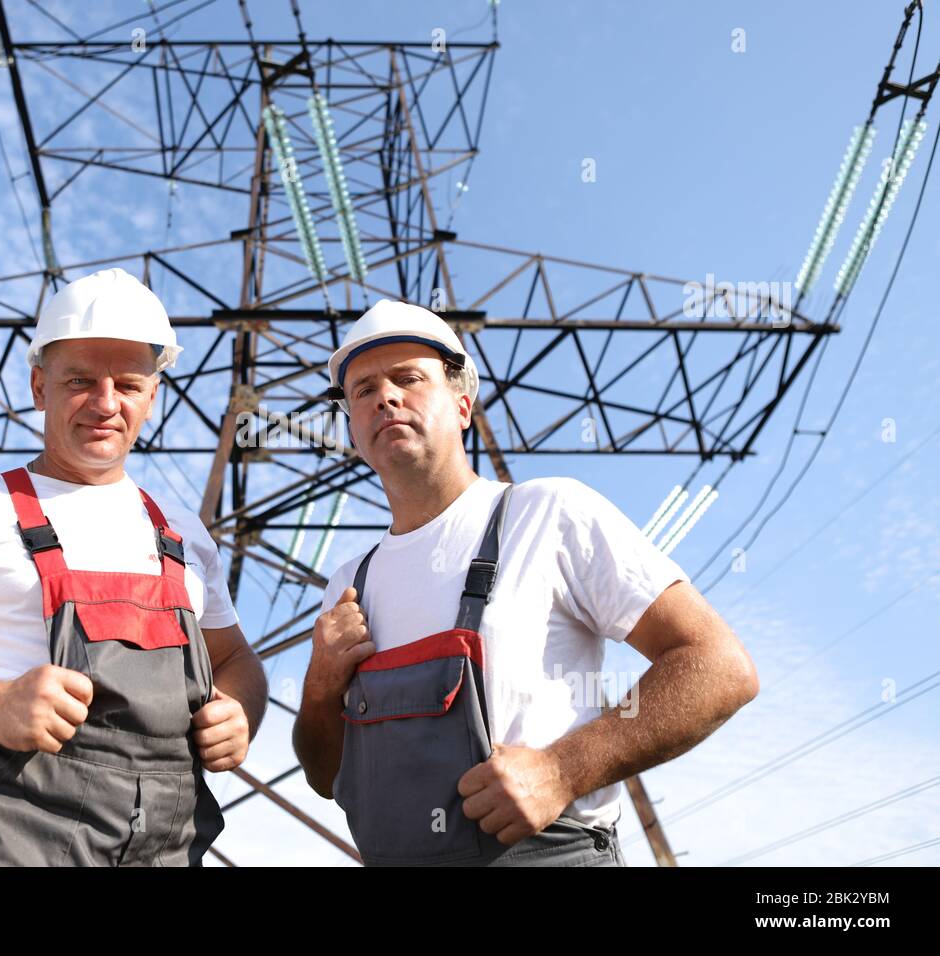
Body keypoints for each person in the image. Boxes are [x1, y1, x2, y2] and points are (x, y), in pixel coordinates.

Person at [292, 298, 759, 867]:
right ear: (353, 427)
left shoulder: (547, 514)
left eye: (408, 379)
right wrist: (319, 687)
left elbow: (719, 666)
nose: (384, 398)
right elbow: (325, 777)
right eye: (362, 391)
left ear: (463, 406)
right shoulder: (349, 583)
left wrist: (565, 769)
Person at [0, 267, 268, 866]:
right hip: (7, 840)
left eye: (129, 385)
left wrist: (240, 708)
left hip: (165, 846)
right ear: (40, 386)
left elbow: (237, 660)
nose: (106, 404)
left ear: (153, 395)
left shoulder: (184, 534)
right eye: (80, 381)